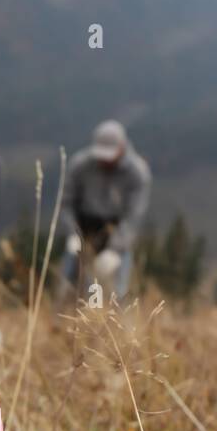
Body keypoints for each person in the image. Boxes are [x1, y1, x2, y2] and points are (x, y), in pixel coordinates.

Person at [58, 120, 152, 301]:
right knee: (68, 286)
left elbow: (134, 217)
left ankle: (114, 328)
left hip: (116, 233)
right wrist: (73, 234)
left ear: (122, 147)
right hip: (82, 230)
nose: (105, 161)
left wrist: (115, 250)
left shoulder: (138, 173)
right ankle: (60, 325)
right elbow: (66, 203)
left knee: (117, 292)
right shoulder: (80, 165)